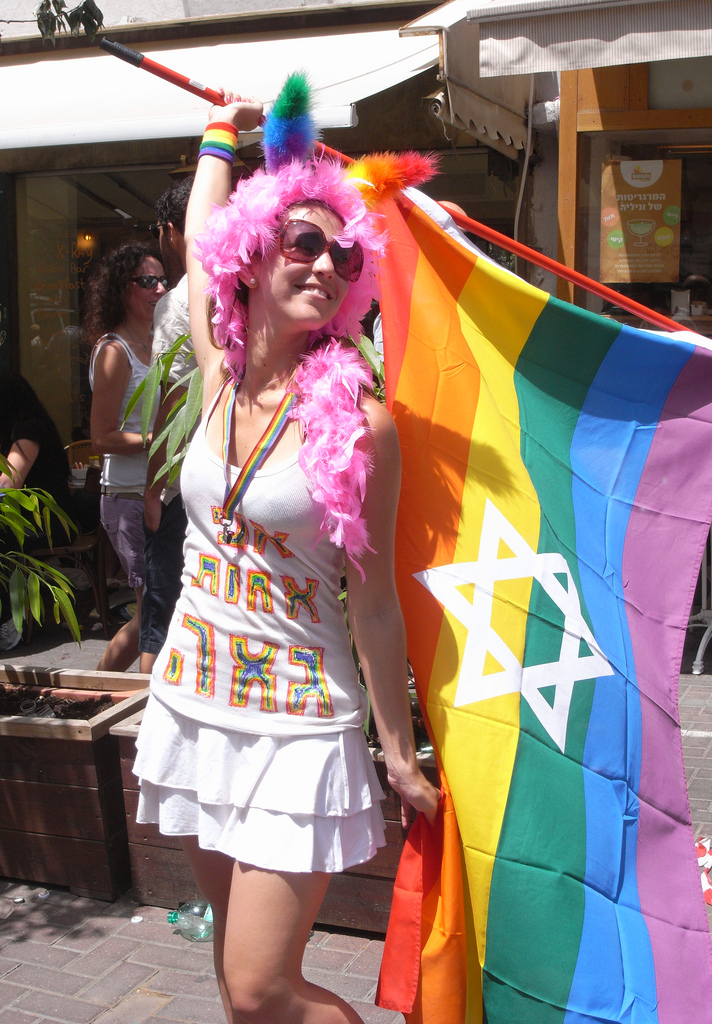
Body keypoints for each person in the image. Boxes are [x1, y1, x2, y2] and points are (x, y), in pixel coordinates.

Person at [133, 75, 440, 1024]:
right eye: (305, 241)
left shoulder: (361, 425)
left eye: (346, 255)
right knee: (236, 985)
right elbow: (194, 237)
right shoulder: (219, 368)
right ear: (254, 251)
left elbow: (376, 600)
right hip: (195, 703)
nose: (326, 262)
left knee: (266, 988)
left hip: (298, 722)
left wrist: (395, 750)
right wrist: (220, 138)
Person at [84, 241, 167, 670]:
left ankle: (104, 692)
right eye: (147, 281)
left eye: (162, 281)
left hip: (161, 491)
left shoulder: (160, 342)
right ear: (122, 288)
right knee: (154, 610)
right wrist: (158, 438)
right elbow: (101, 438)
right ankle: (108, 694)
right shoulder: (115, 351)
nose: (158, 290)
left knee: (156, 609)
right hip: (128, 495)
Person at [139, 178, 194, 674]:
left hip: (190, 483)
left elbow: (173, 403)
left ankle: (144, 736)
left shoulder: (178, 305)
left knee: (163, 614)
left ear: (170, 232)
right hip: (252, 476)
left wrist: (155, 488)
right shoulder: (254, 291)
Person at [0, 372, 75, 650]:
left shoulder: (28, 430)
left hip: (51, 520)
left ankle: (8, 621)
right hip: (32, 517)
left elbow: (9, 482)